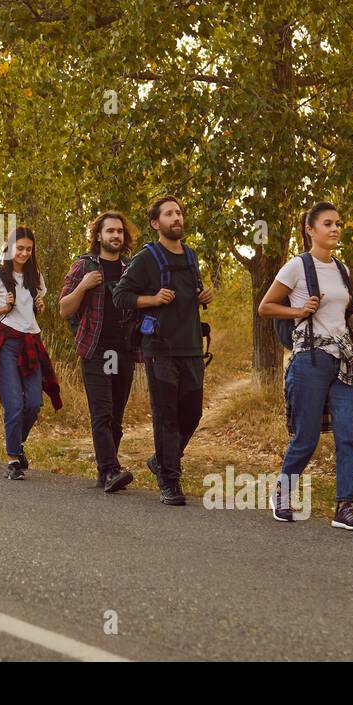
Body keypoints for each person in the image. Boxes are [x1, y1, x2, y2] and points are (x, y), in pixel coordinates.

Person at [257, 201, 353, 530]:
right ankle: (283, 494)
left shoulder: (342, 270)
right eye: (327, 224)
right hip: (310, 360)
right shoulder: (296, 267)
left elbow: (336, 315)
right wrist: (299, 311)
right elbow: (266, 307)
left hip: (345, 362)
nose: (335, 229)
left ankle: (344, 507)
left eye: (337, 224)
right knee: (306, 437)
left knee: (349, 436)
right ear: (310, 230)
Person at [112, 196, 215, 505]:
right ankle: (169, 480)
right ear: (156, 224)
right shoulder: (146, 258)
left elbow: (191, 293)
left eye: (179, 213)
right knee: (166, 416)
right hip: (159, 348)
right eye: (169, 214)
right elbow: (120, 295)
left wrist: (202, 295)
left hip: (192, 347)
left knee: (192, 414)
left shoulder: (191, 255)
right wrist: (152, 300)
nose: (176, 218)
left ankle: (161, 461)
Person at [59, 211, 142, 493]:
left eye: (120, 231)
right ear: (98, 236)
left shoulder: (132, 268)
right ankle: (110, 470)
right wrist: (83, 285)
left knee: (116, 416)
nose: (115, 235)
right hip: (95, 349)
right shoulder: (83, 266)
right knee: (102, 412)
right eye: (110, 231)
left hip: (124, 352)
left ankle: (106, 469)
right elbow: (64, 308)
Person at [0, 226, 62, 480]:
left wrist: (40, 304)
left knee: (34, 403)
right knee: (14, 404)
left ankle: (18, 444)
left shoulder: (35, 275)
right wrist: (3, 307)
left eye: (29, 249)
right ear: (10, 248)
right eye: (20, 248)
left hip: (31, 341)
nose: (24, 253)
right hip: (6, 342)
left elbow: (36, 306)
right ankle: (13, 459)